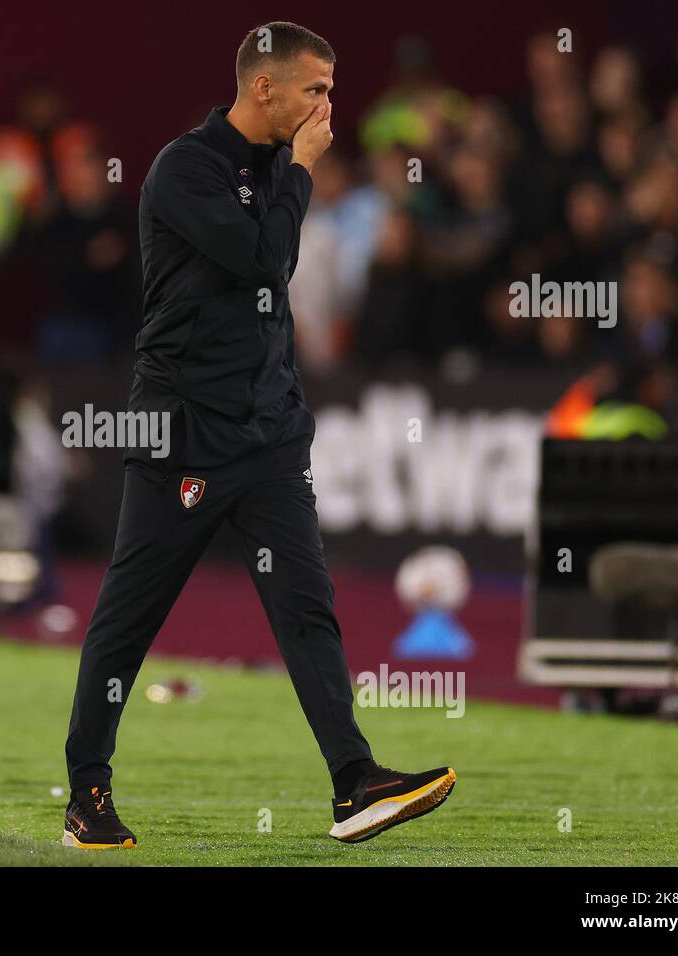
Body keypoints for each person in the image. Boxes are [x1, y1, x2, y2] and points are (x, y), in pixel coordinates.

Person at [61, 21, 455, 849]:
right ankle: (87, 792)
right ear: (264, 87)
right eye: (316, 89)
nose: (328, 109)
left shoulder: (277, 168)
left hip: (268, 433)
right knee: (129, 620)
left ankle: (355, 782)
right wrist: (304, 170)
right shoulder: (186, 168)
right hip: (184, 434)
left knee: (307, 606)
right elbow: (262, 258)